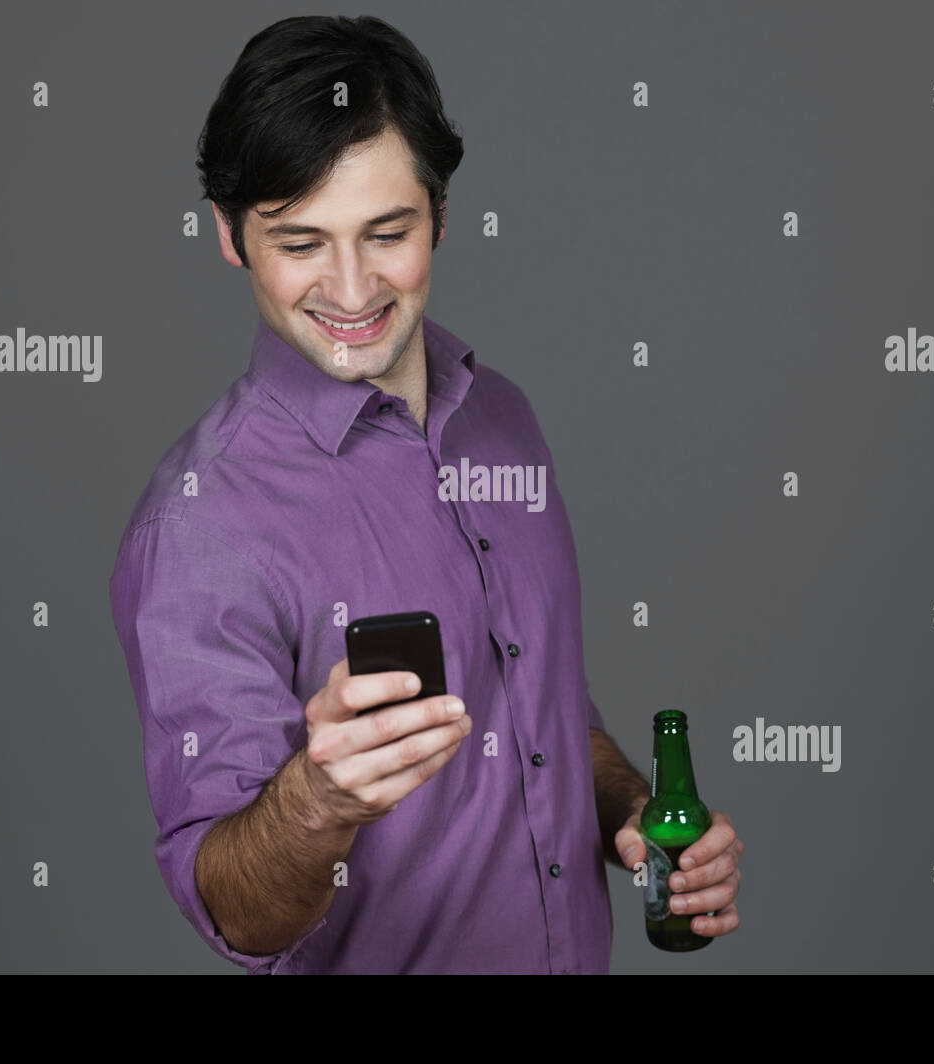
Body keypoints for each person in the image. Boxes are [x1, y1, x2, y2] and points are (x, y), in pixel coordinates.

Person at [107, 14, 743, 975]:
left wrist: (634, 815)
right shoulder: (201, 525)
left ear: (441, 216)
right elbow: (234, 910)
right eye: (301, 241)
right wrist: (319, 797)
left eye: (387, 232)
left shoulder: (504, 418)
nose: (352, 287)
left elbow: (548, 714)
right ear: (231, 238)